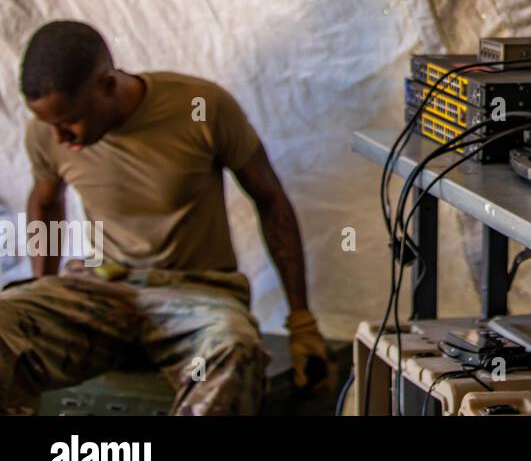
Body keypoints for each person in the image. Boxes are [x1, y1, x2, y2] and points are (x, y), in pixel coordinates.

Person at [0, 21, 329, 414]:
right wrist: (44, 290)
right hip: (106, 289)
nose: (58, 138)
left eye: (68, 121)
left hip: (199, 295)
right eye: (48, 124)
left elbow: (271, 199)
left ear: (107, 85)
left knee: (233, 348)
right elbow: (46, 201)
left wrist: (302, 322)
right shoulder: (48, 133)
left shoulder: (201, 106)